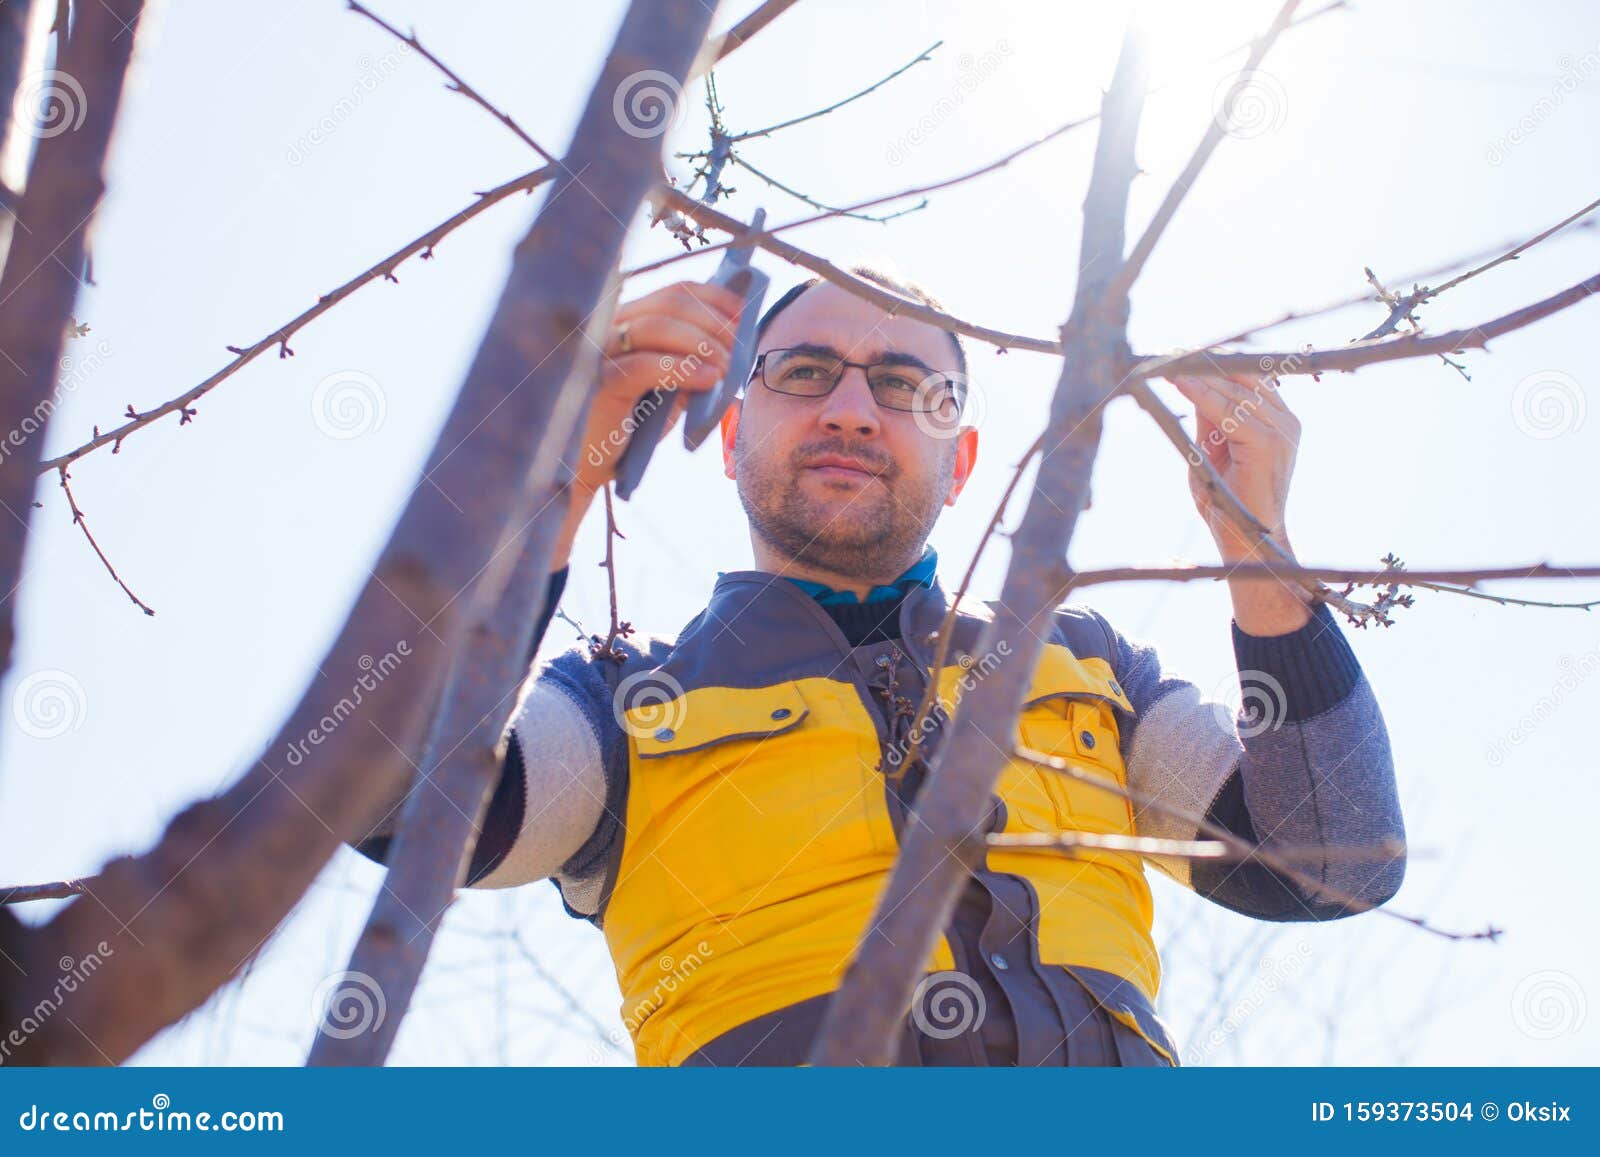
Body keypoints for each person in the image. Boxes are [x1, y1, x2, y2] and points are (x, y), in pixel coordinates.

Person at [357, 266, 1406, 1067]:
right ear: (730, 435)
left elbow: (1332, 860)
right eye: (806, 372)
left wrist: (1254, 542)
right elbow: (398, 802)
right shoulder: (620, 705)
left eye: (904, 385)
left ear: (961, 460)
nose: (853, 410)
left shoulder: (1086, 662)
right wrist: (560, 472)